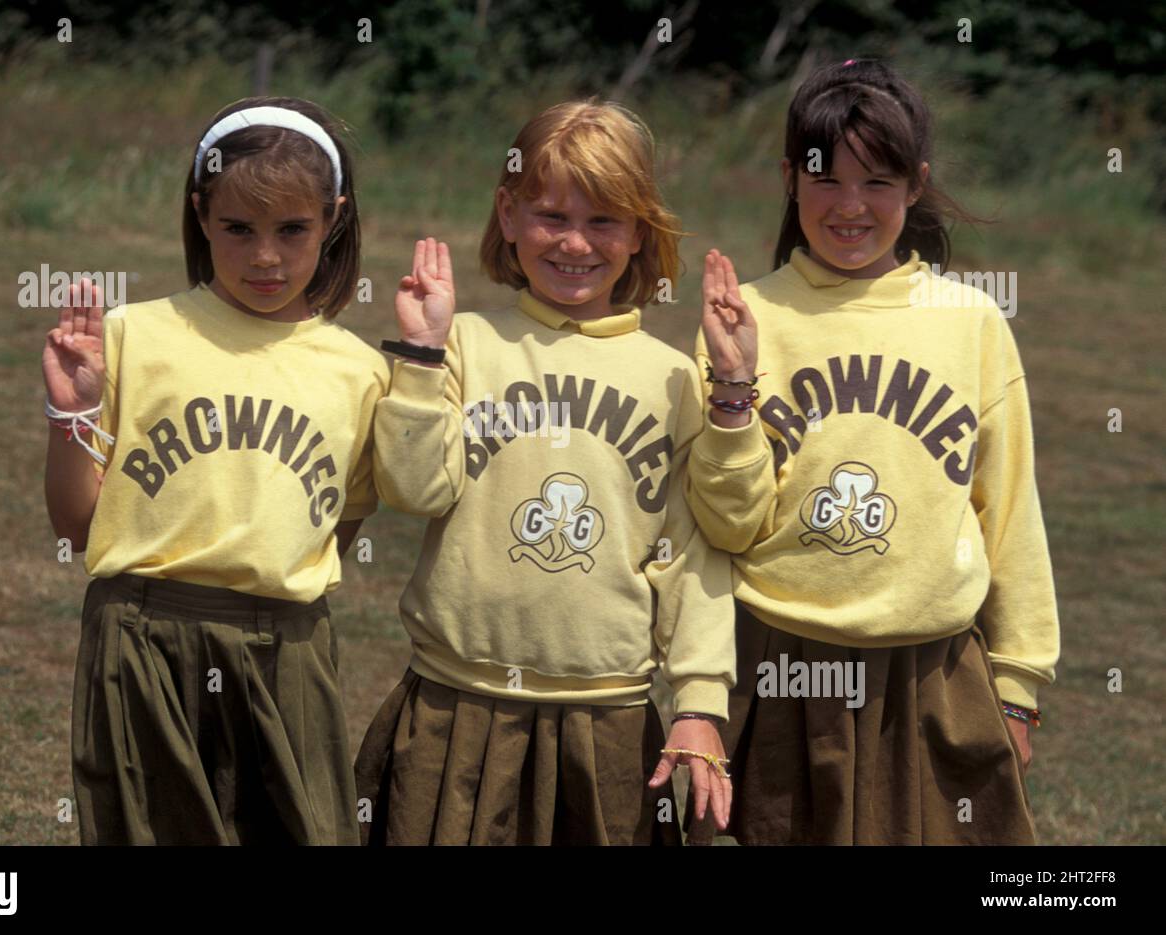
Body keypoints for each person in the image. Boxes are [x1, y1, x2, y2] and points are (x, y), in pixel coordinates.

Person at [687, 59, 1060, 844]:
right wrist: (732, 388)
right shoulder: (746, 316)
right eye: (825, 178)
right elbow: (725, 525)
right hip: (783, 664)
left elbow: (1010, 508)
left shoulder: (971, 322)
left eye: (879, 182)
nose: (849, 206)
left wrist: (1019, 682)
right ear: (790, 177)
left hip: (932, 670)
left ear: (916, 184)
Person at [355, 100, 735, 846]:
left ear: (639, 232)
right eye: (552, 215)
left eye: (603, 222)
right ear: (507, 212)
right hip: (456, 701)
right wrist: (423, 360)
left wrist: (698, 699)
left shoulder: (673, 378)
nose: (574, 243)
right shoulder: (465, 343)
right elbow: (412, 488)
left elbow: (695, 556)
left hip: (610, 716)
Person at [42, 96, 387, 844]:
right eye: (239, 228)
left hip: (286, 650)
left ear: (333, 218)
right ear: (201, 215)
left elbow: (336, 534)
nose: (265, 255)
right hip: (142, 639)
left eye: (292, 229)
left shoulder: (360, 372)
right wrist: (72, 412)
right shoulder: (133, 336)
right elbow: (73, 523)